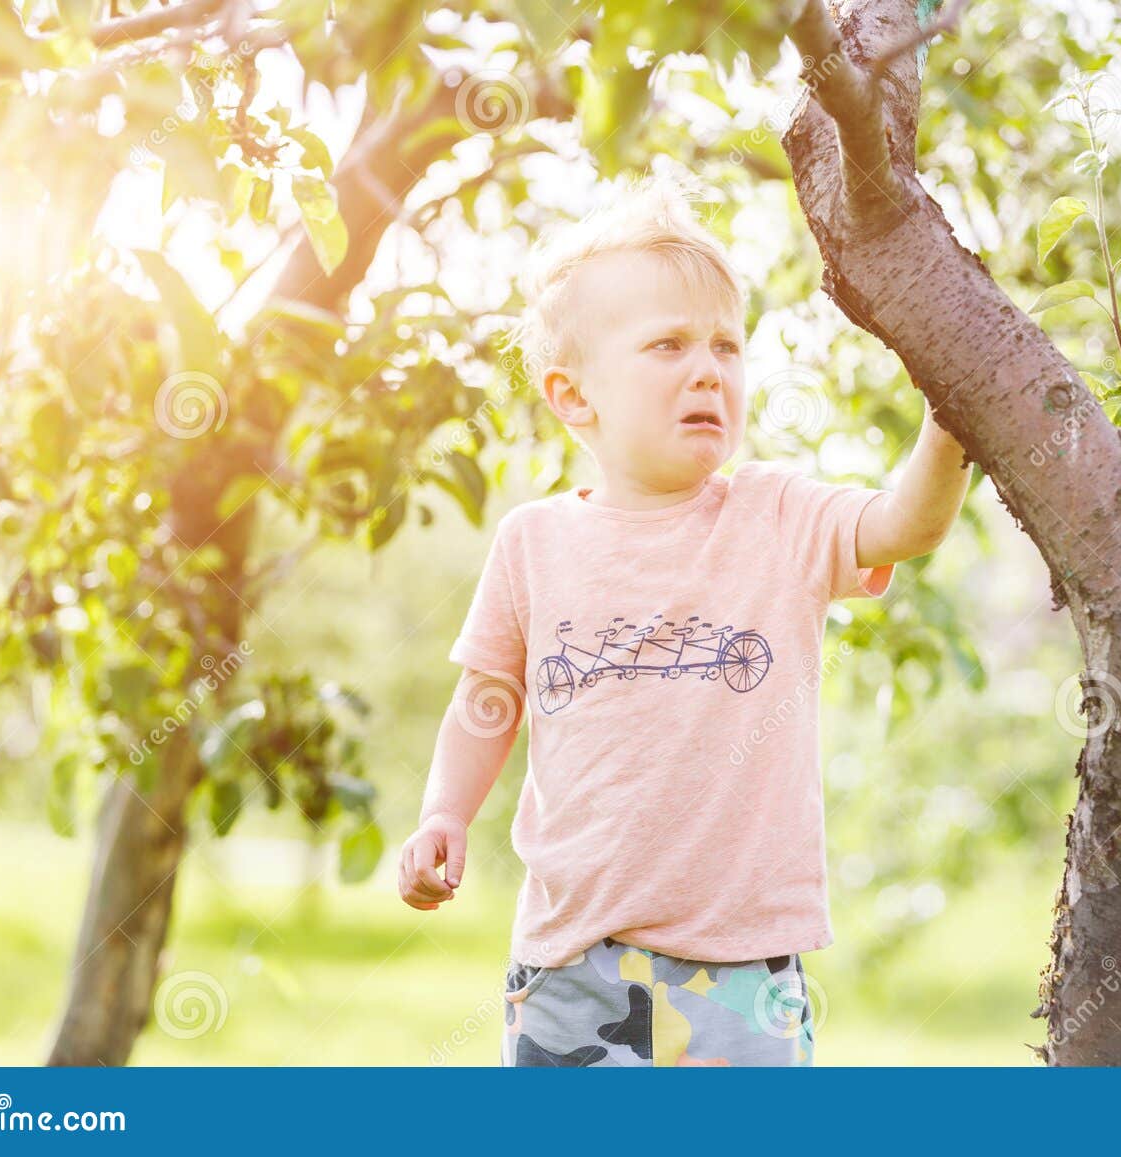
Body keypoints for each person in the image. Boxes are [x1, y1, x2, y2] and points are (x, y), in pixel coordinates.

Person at [396, 175, 971, 1066]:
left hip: (739, 969)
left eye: (726, 347)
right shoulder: (533, 542)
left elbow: (907, 522)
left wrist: (952, 411)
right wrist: (444, 811)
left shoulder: (779, 514)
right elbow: (487, 699)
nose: (708, 368)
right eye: (666, 344)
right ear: (573, 396)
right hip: (569, 963)